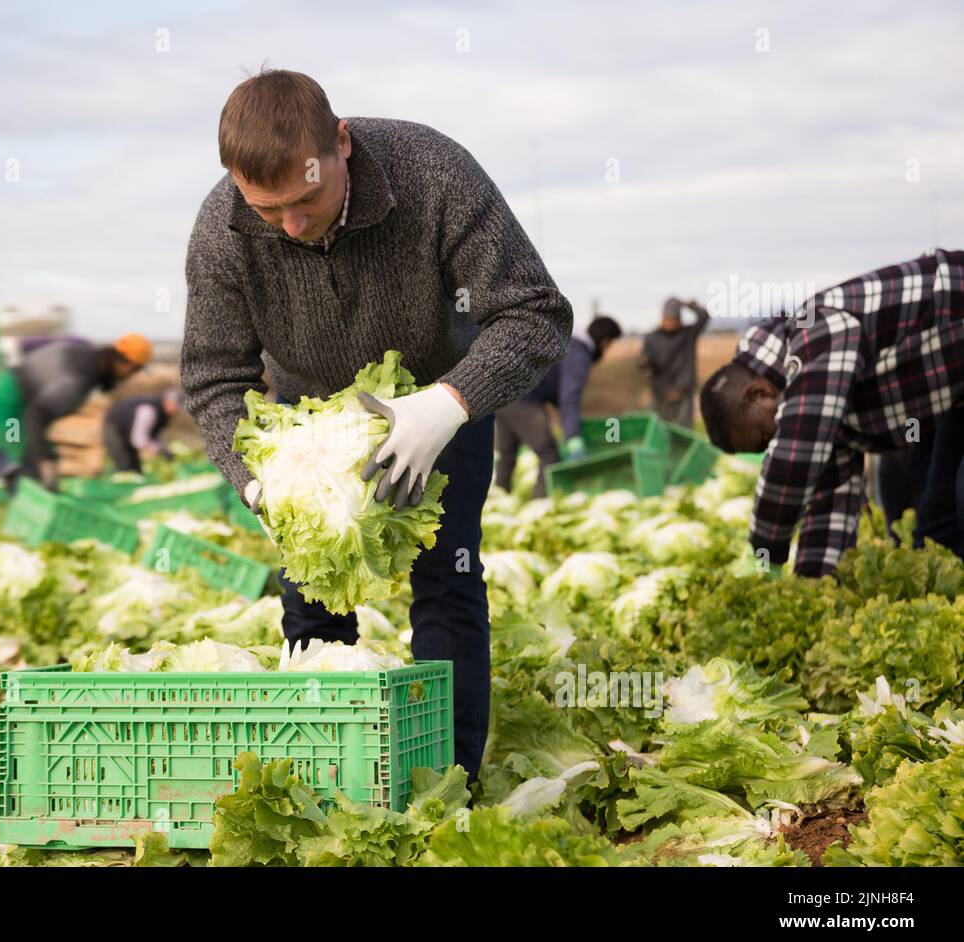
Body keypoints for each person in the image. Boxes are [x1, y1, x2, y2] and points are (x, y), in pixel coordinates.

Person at [180, 69, 572, 780]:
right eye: (269, 211)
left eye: (306, 199)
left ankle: (446, 780)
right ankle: (325, 773)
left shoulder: (435, 175)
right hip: (310, 426)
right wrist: (257, 479)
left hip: (439, 405)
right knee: (311, 594)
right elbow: (213, 375)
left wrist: (447, 404)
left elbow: (535, 313)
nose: (292, 226)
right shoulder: (222, 228)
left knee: (446, 579)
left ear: (341, 143)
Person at [699, 249, 964, 577]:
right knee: (938, 524)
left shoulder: (817, 334)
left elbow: (797, 455)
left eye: (764, 437)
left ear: (759, 394)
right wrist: (813, 595)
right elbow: (829, 510)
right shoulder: (823, 408)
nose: (772, 443)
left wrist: (764, 552)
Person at [0, 333, 152, 491]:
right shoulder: (79, 379)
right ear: (125, 364)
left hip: (13, 409)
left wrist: (41, 456)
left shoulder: (84, 356)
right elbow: (35, 415)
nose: (130, 377)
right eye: (134, 371)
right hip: (7, 413)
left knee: (21, 477)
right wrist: (45, 460)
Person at [494, 315, 622, 495]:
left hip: (501, 394)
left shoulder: (565, 342)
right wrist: (573, 437)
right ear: (605, 341)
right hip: (523, 400)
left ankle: (500, 500)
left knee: (507, 455)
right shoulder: (579, 353)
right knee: (549, 455)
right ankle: (538, 509)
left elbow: (558, 392)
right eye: (610, 346)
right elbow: (569, 398)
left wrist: (568, 422)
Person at [639, 297, 710, 426]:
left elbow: (704, 316)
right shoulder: (652, 338)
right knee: (657, 431)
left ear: (679, 319)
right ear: (662, 317)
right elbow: (643, 363)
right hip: (660, 395)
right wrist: (644, 363)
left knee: (683, 435)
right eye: (667, 318)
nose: (670, 323)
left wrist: (689, 304)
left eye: (673, 319)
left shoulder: (688, 334)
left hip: (683, 395)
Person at [102, 389, 181, 474]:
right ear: (167, 401)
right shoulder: (148, 410)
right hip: (114, 427)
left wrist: (162, 448)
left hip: (128, 432)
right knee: (124, 463)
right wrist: (158, 450)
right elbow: (138, 439)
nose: (175, 409)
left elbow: (154, 434)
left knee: (136, 468)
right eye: (174, 405)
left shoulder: (164, 415)